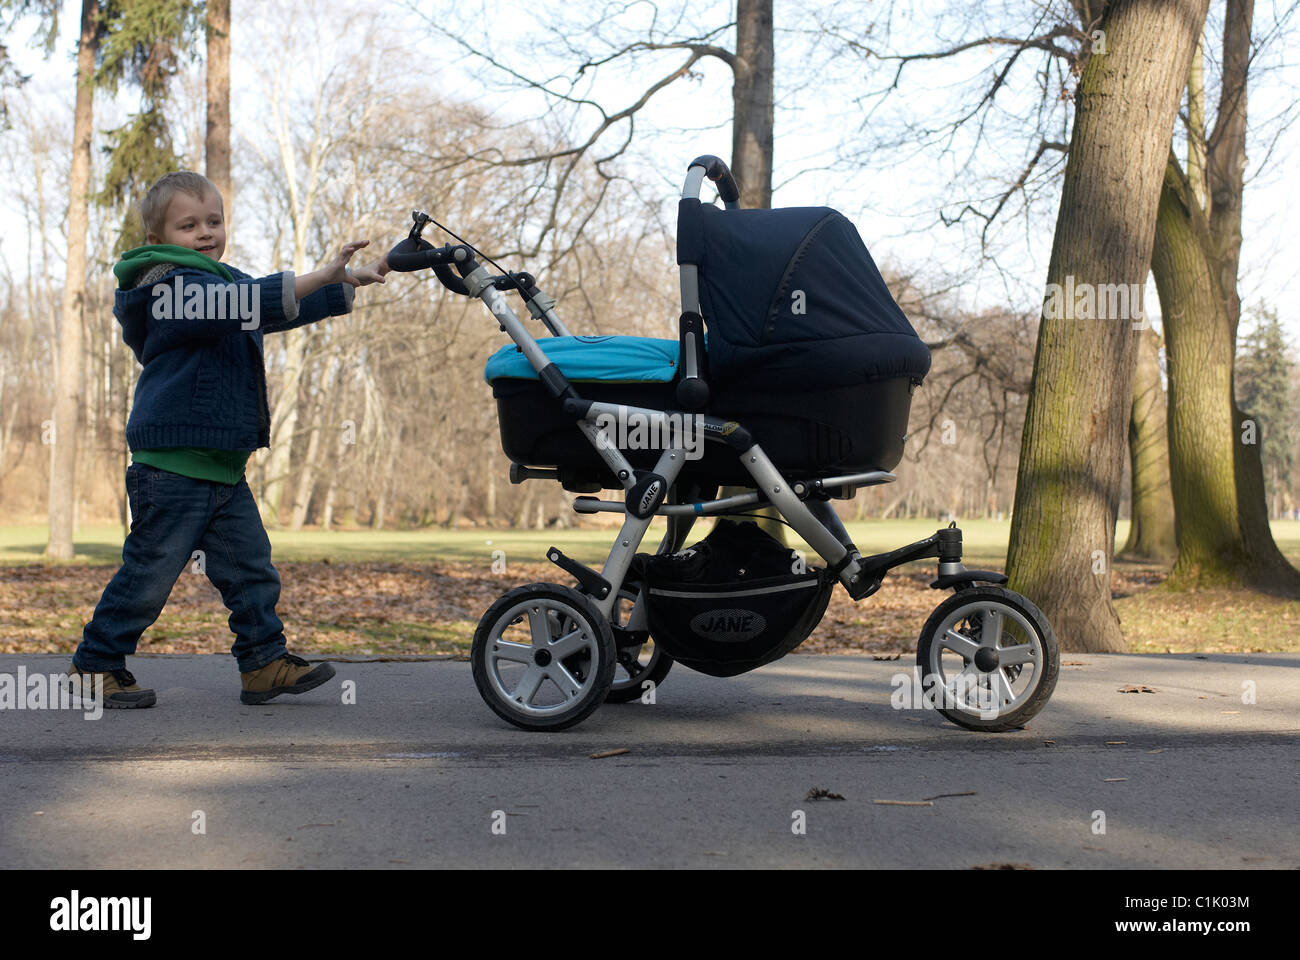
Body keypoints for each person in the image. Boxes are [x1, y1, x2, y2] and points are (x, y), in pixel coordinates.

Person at [66, 170, 388, 708]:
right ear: (157, 240)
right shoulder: (166, 287)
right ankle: (95, 664)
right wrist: (316, 274)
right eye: (188, 224)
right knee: (149, 574)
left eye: (213, 220)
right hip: (171, 465)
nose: (205, 232)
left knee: (251, 569)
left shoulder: (219, 281)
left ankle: (263, 663)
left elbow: (267, 305)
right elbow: (243, 304)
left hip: (221, 467)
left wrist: (343, 282)